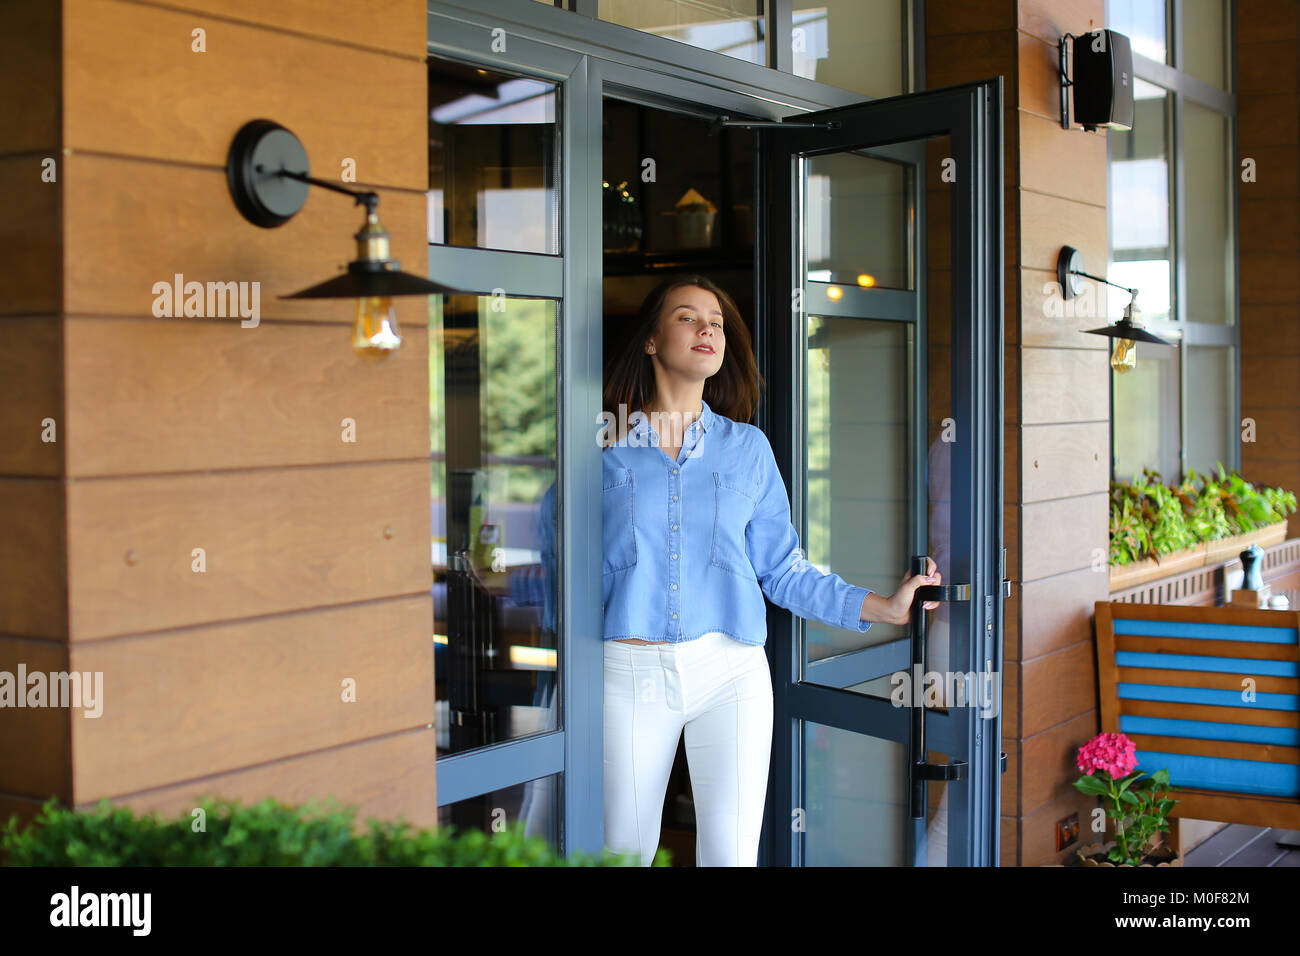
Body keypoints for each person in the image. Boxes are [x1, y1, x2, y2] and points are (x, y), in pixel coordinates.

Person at [600, 275, 941, 866]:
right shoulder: (600, 446)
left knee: (731, 856)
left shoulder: (748, 449)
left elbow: (783, 569)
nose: (707, 329)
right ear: (652, 341)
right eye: (687, 317)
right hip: (629, 672)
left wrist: (882, 606)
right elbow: (563, 559)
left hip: (730, 672)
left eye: (717, 321)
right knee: (620, 852)